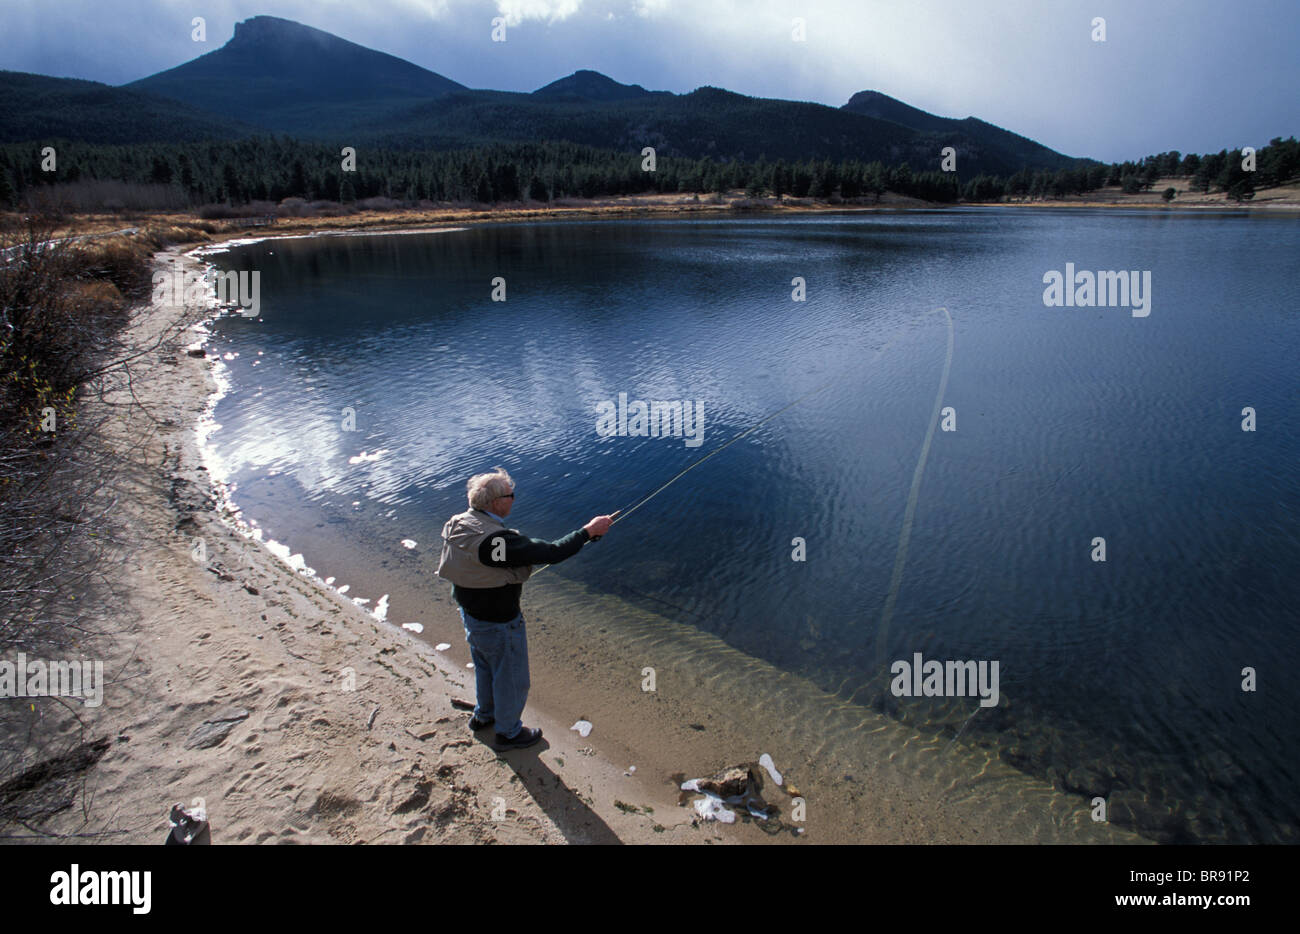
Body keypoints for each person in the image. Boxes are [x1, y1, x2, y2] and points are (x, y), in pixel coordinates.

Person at [437, 467, 614, 750]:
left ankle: (484, 716)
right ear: (496, 503)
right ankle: (508, 732)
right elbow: (552, 553)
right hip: (498, 622)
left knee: (485, 669)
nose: (514, 500)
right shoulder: (497, 542)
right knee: (512, 680)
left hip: (471, 615)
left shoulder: (461, 522)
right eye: (511, 495)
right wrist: (588, 532)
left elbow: (494, 557)